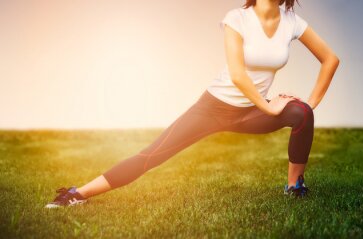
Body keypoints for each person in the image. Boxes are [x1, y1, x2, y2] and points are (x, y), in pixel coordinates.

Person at [45, 0, 339, 208]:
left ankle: (294, 187)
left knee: (301, 114)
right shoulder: (237, 18)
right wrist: (268, 105)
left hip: (251, 112)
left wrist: (310, 103)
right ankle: (76, 194)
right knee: (152, 155)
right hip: (213, 108)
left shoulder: (293, 22)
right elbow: (237, 75)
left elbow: (330, 59)